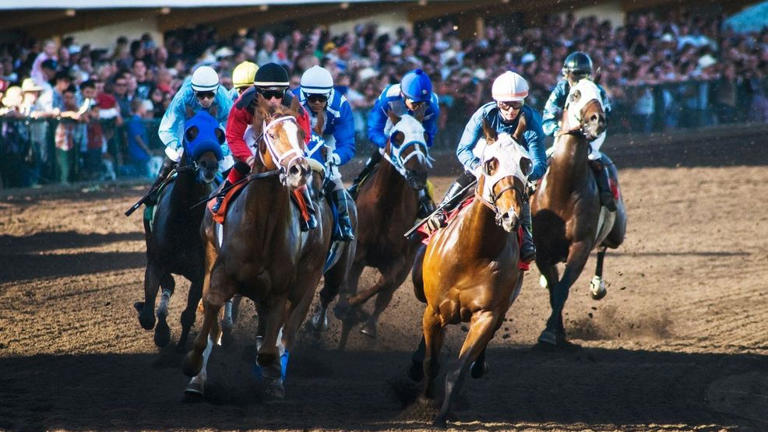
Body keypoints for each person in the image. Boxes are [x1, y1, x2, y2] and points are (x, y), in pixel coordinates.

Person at [427, 71, 546, 263]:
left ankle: (527, 238)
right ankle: (441, 209)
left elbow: (540, 162)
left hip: (515, 163)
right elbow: (463, 149)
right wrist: (477, 169)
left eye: (516, 105)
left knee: (519, 191)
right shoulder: (484, 114)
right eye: (505, 105)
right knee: (468, 176)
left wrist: (527, 176)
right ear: (497, 102)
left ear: (523, 102)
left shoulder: (532, 121)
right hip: (487, 158)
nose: (510, 110)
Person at [221, 63, 316, 230]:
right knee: (242, 165)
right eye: (267, 94)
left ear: (284, 92)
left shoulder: (294, 106)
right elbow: (233, 136)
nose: (273, 100)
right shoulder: (243, 104)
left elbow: (304, 134)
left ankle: (307, 209)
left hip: (282, 135)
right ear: (258, 93)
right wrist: (248, 158)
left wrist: (291, 155)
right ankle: (222, 200)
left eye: (278, 94)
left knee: (296, 169)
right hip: (253, 132)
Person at [347, 68, 439, 218]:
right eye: (416, 103)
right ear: (403, 95)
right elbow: (374, 129)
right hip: (391, 126)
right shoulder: (388, 98)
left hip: (415, 133)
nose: (420, 107)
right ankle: (357, 186)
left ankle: (424, 198)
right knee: (380, 153)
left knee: (419, 163)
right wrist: (387, 144)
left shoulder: (432, 106)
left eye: (423, 103)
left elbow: (429, 134)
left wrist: (420, 149)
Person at [542, 51, 615, 211]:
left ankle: (605, 193)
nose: (578, 80)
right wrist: (559, 130)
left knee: (593, 156)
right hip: (565, 134)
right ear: (567, 75)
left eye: (583, 76)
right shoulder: (561, 89)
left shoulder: (598, 91)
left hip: (591, 135)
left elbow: (607, 116)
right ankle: (531, 190)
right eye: (575, 76)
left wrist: (591, 131)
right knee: (545, 159)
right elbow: (548, 117)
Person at [149, 66, 233, 199]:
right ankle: (153, 193)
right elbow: (166, 128)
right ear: (194, 92)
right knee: (174, 154)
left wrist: (222, 149)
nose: (205, 99)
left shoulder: (224, 100)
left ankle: (232, 195)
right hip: (188, 124)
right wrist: (177, 145)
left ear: (216, 91)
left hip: (213, 125)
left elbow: (231, 130)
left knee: (226, 161)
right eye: (201, 95)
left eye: (210, 94)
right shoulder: (183, 98)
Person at [293, 65, 355, 241]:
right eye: (313, 98)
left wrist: (334, 157)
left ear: (329, 94)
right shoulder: (292, 100)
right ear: (304, 94)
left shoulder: (341, 105)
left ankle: (344, 221)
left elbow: (347, 144)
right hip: (298, 137)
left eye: (322, 98)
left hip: (327, 140)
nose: (318, 103)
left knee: (334, 176)